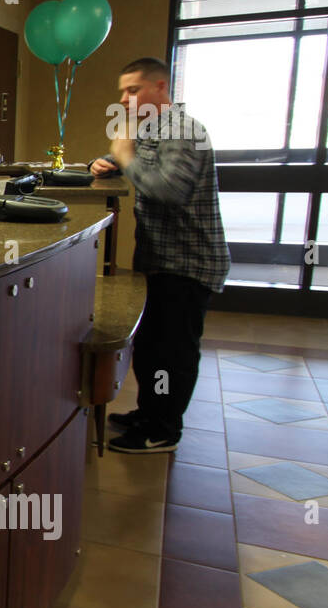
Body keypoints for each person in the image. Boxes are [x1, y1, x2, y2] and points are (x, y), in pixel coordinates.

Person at [90, 57, 230, 453]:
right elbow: (129, 161)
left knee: (172, 352)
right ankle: (148, 412)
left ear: (161, 88)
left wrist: (126, 156)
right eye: (123, 91)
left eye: (133, 90)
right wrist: (105, 161)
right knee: (151, 345)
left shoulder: (184, 132)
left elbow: (169, 190)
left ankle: (163, 429)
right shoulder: (151, 129)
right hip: (161, 260)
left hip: (187, 263)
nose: (125, 99)